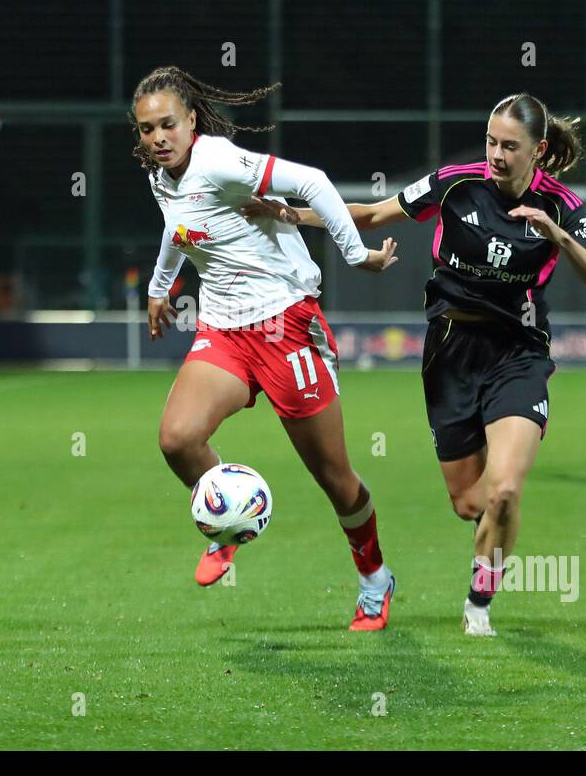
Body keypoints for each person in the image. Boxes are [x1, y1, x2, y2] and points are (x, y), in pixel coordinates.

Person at [248, 92, 586, 637]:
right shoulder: (456, 183)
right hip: (450, 351)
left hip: (518, 353)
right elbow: (371, 214)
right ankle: (490, 534)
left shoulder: (562, 206)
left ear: (538, 151)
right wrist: (291, 215)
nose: (496, 155)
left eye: (510, 146)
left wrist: (556, 234)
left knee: (505, 492)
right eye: (491, 142)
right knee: (470, 504)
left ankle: (479, 603)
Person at [133, 66, 400, 631]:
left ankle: (375, 576)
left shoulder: (218, 161)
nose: (157, 138)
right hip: (225, 330)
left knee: (335, 478)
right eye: (147, 129)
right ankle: (228, 518)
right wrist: (160, 288)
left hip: (286, 326)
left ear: (192, 121)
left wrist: (355, 255)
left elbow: (315, 182)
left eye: (167, 125)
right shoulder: (162, 177)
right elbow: (179, 228)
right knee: (178, 439)